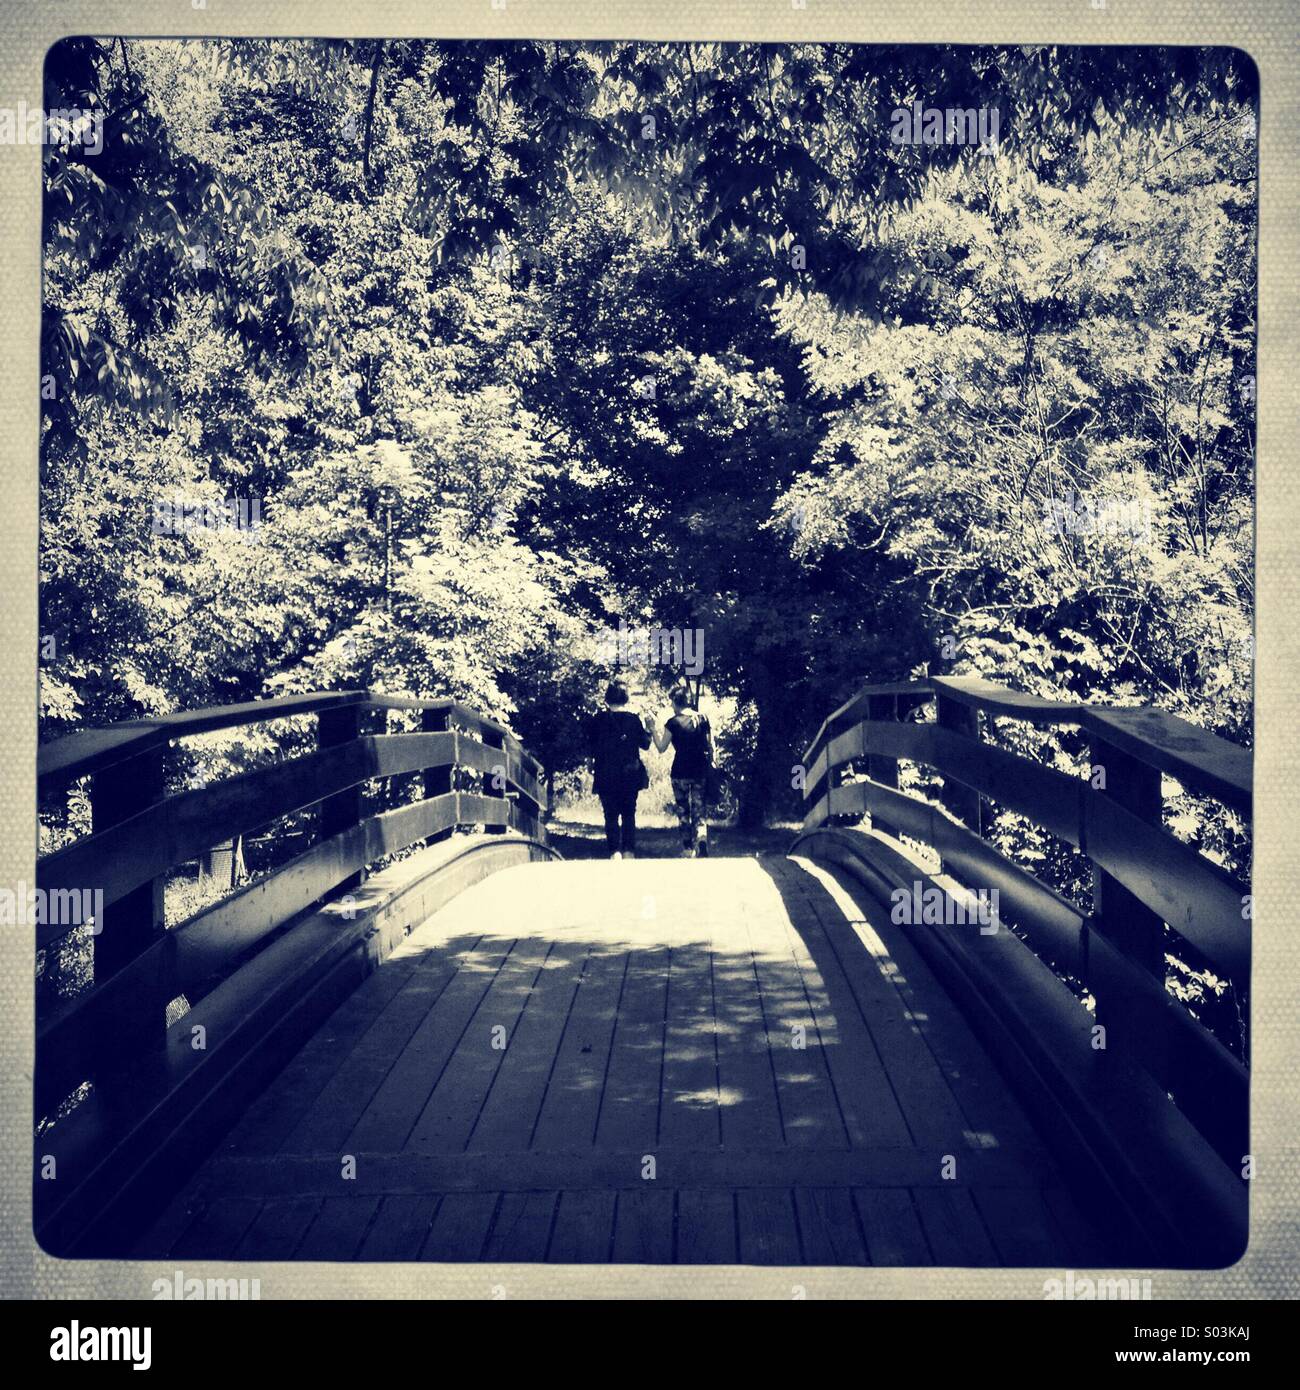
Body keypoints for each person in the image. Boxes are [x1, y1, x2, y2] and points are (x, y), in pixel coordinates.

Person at [588, 680, 651, 859]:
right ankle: (629, 850)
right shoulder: (633, 719)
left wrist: (590, 765)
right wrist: (649, 730)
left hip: (605, 772)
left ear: (608, 697)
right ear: (626, 697)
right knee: (629, 812)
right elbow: (645, 744)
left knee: (610, 814)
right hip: (630, 773)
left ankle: (614, 851)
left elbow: (591, 747)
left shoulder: (598, 720)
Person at [652, 687, 714, 857]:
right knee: (699, 809)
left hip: (680, 771)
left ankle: (687, 848)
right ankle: (701, 838)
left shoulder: (673, 723)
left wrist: (652, 729)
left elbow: (661, 747)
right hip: (700, 770)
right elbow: (711, 745)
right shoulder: (702, 719)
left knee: (683, 810)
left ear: (674, 701)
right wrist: (712, 763)